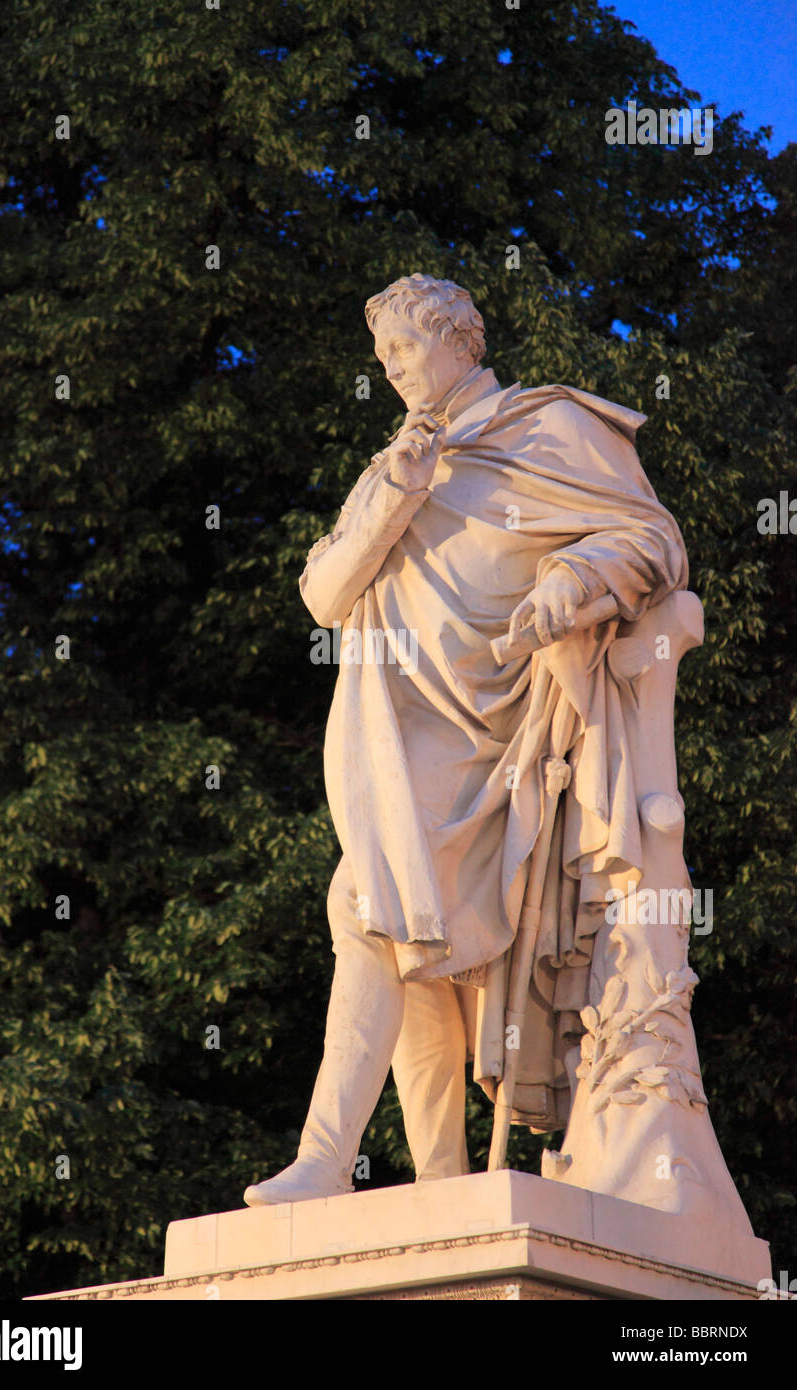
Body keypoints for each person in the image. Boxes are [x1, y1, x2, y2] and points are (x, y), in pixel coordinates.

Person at [243, 273, 688, 1207]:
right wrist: (392, 498)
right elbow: (324, 598)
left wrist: (575, 573)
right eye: (384, 360)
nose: (394, 372)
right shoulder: (393, 465)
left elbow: (653, 539)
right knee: (405, 938)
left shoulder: (550, 430)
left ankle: (328, 1160)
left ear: (460, 340)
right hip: (388, 733)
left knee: (372, 916)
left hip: (492, 726)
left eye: (405, 350)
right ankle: (440, 1188)